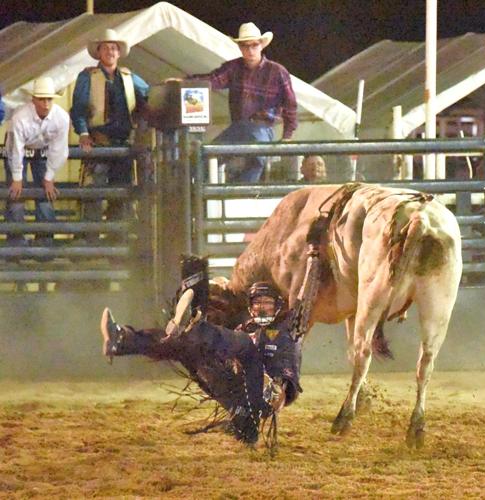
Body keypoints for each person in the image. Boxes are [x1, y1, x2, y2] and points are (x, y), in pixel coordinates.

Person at [100, 280, 302, 443]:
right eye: (258, 302)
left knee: (241, 344)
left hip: (258, 397)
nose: (262, 307)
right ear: (250, 306)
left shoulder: (281, 336)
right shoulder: (247, 327)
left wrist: (277, 391)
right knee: (184, 346)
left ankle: (195, 327)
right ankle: (123, 342)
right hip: (235, 395)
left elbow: (285, 374)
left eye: (267, 302)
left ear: (277, 307)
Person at [190, 22, 297, 183]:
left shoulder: (278, 72)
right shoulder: (234, 68)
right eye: (245, 46)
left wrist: (287, 135)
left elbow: (290, 105)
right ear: (240, 48)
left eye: (254, 45)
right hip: (241, 127)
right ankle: (207, 190)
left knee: (251, 158)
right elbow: (211, 80)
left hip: (260, 128)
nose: (250, 50)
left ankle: (236, 192)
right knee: (206, 159)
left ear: (261, 45)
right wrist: (183, 82)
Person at [70, 29, 149, 238]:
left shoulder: (130, 78)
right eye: (106, 48)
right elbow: (78, 109)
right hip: (99, 143)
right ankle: (90, 242)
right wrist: (84, 133)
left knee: (121, 196)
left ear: (119, 53)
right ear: (99, 51)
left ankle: (116, 243)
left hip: (124, 144)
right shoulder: (87, 77)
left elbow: (149, 97)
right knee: (93, 194)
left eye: (114, 48)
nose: (110, 51)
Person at [3, 77, 70, 251]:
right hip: (21, 150)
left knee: (45, 195)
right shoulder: (20, 118)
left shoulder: (61, 118)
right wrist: (17, 177)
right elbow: (15, 150)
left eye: (49, 99)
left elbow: (59, 149)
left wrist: (50, 176)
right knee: (17, 195)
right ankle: (16, 243)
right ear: (33, 100)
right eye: (42, 99)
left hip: (43, 150)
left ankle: (44, 241)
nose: (46, 103)